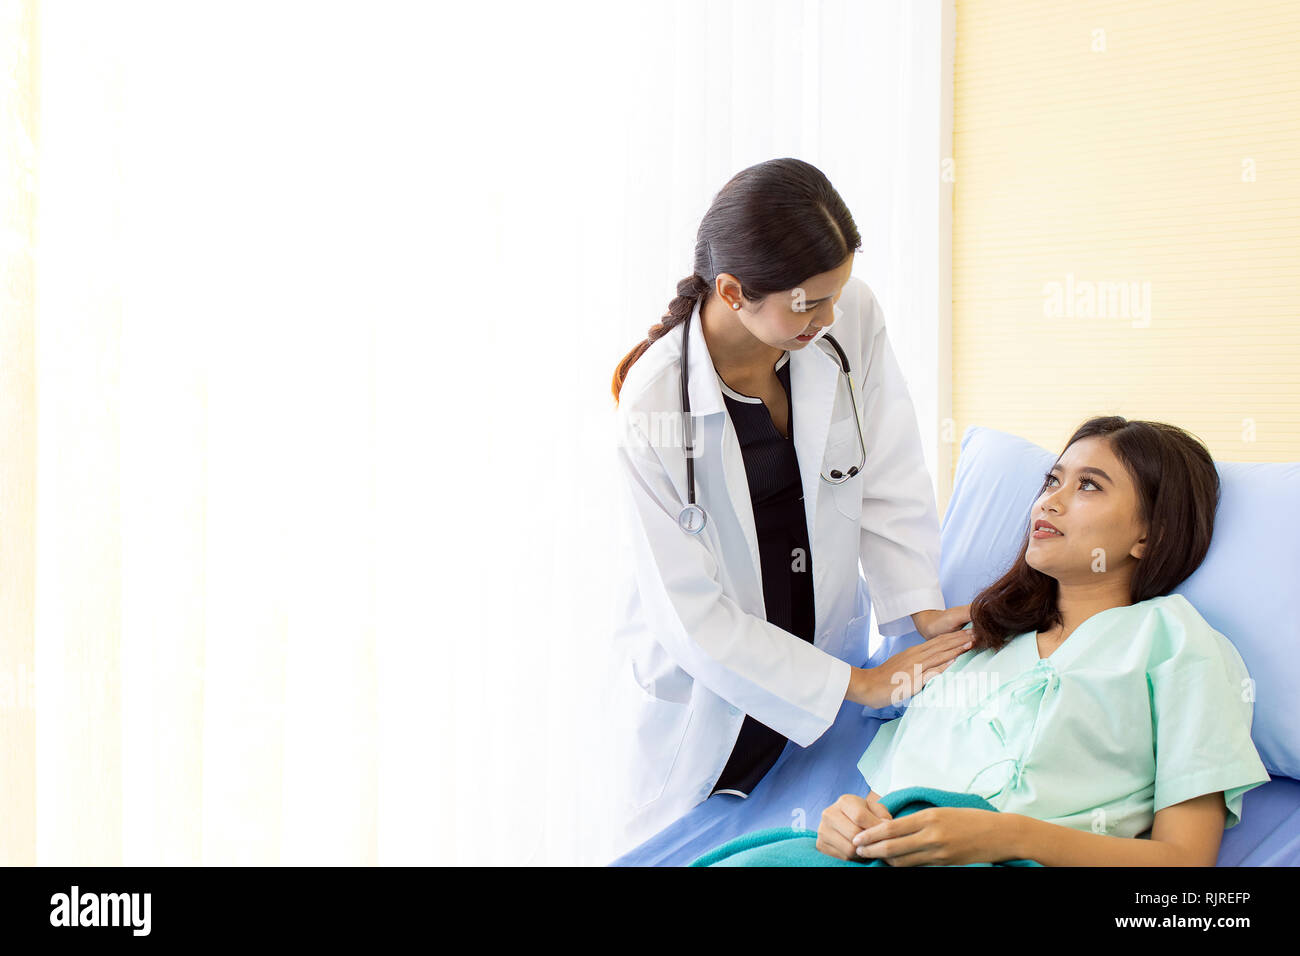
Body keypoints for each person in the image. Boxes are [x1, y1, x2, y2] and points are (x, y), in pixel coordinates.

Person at [607, 158, 971, 856]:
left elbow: (886, 462)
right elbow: (692, 618)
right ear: (733, 291)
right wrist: (861, 683)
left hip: (820, 665)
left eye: (837, 293)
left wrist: (919, 603)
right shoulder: (656, 406)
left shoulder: (846, 316)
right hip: (708, 708)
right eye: (809, 303)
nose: (830, 317)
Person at [707, 416, 1269, 866]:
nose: (1048, 501)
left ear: (1151, 534)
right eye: (1052, 480)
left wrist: (1010, 838)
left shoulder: (1176, 644)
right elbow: (892, 804)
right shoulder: (974, 647)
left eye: (1089, 486)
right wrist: (847, 822)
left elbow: (1185, 861)